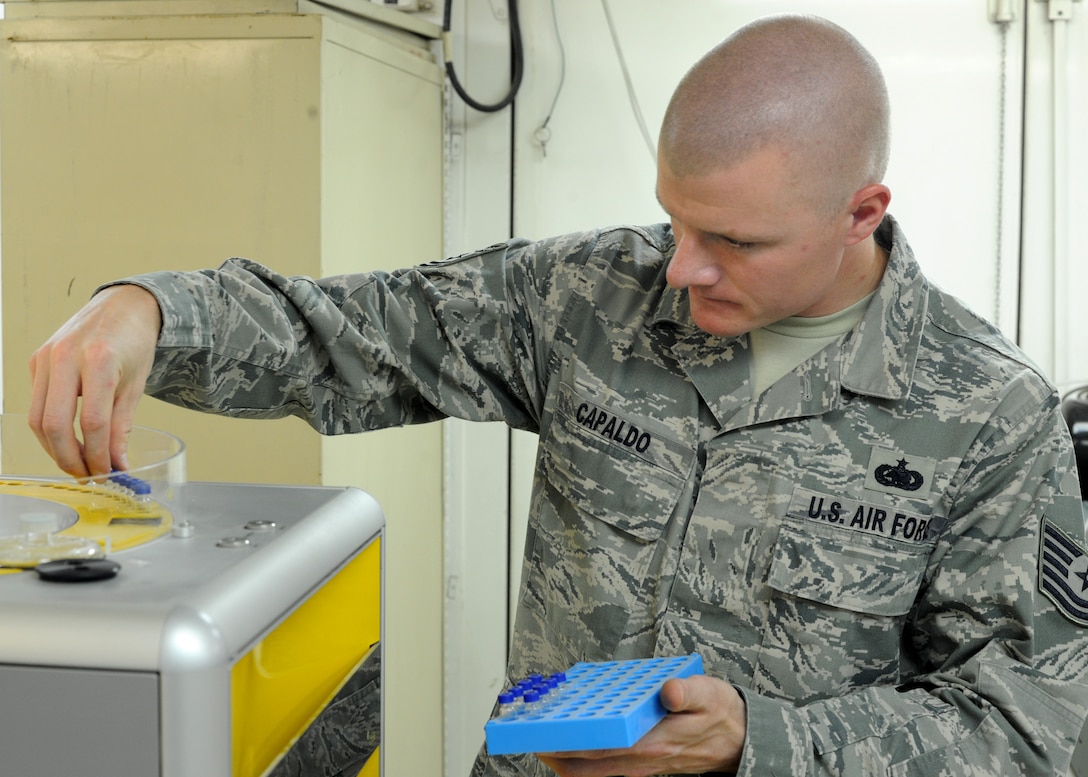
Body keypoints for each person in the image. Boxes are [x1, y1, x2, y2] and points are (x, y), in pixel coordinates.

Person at [26, 13, 1088, 777]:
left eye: (731, 241)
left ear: (860, 212)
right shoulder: (589, 297)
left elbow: (1030, 728)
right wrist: (153, 313)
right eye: (674, 220)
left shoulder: (988, 414)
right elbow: (355, 333)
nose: (680, 268)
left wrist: (759, 744)